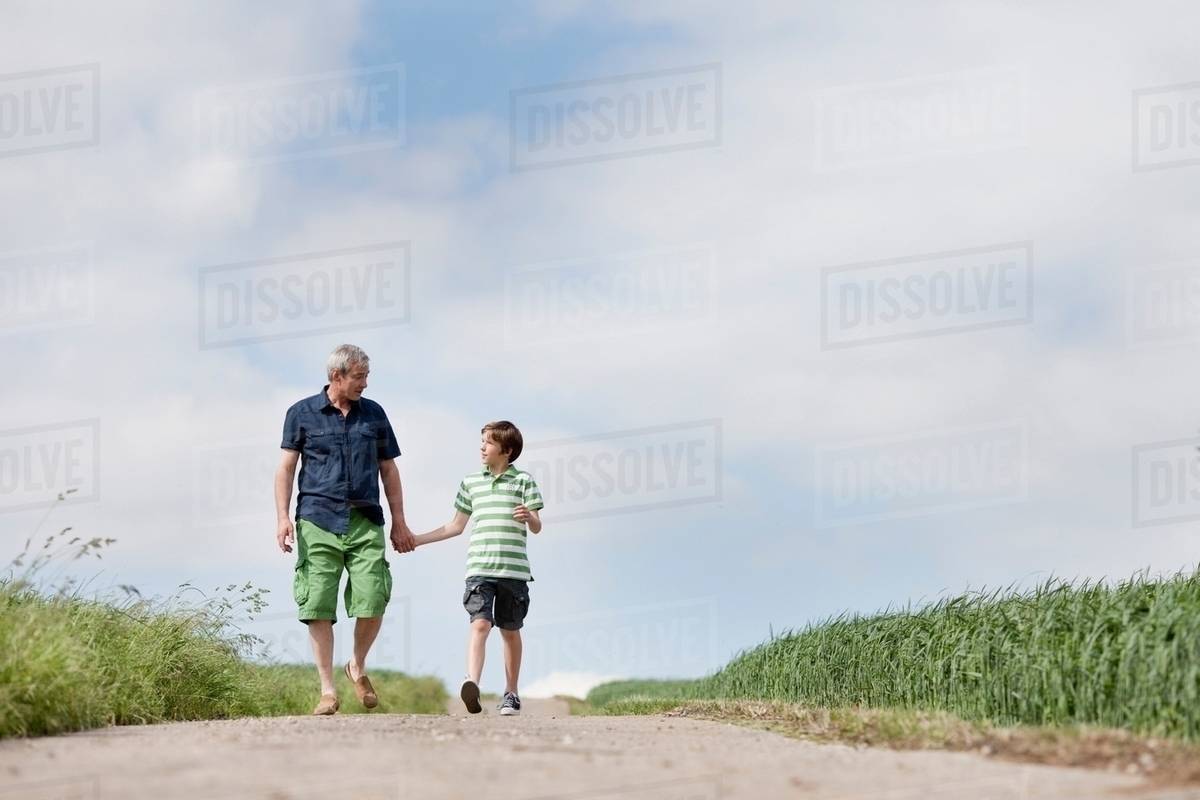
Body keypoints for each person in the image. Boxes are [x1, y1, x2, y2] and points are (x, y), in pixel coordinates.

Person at [274, 344, 416, 715]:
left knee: (373, 597)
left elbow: (389, 470)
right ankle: (327, 690)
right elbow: (286, 468)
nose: (365, 384)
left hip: (366, 518)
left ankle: (356, 664)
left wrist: (399, 521)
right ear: (337, 376)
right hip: (317, 519)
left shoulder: (374, 415)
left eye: (366, 377)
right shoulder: (301, 413)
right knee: (318, 602)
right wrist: (282, 517)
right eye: (359, 377)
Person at [413, 420, 544, 716]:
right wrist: (418, 540)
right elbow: (455, 526)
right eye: (482, 441)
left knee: (510, 630)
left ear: (507, 450)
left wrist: (529, 517)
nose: (482, 447)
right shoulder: (471, 482)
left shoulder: (523, 481)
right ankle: (472, 682)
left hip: (514, 571)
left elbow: (537, 526)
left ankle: (511, 693)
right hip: (479, 569)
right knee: (480, 624)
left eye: (489, 442)